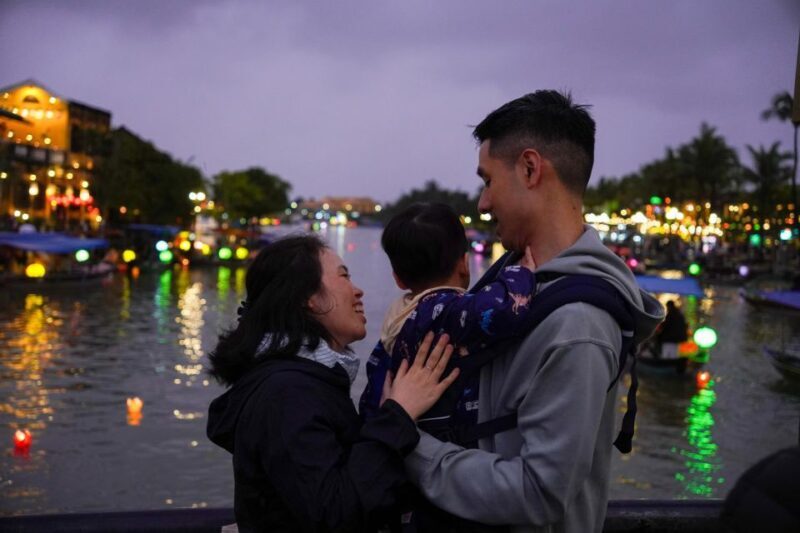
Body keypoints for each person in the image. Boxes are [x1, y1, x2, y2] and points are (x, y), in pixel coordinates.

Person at [402, 90, 665, 532]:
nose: (482, 203)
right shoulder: (513, 275)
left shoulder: (577, 325)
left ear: (529, 168)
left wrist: (407, 443)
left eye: (487, 180)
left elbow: (539, 493)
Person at [206, 235, 459, 532]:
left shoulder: (304, 379)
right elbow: (335, 513)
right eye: (344, 276)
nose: (358, 291)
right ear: (307, 297)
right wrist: (398, 414)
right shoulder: (287, 393)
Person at [359, 202, 537, 432]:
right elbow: (502, 309)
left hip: (395, 434)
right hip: (440, 441)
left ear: (398, 279)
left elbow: (374, 387)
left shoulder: (397, 317)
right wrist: (520, 273)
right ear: (464, 264)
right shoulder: (445, 310)